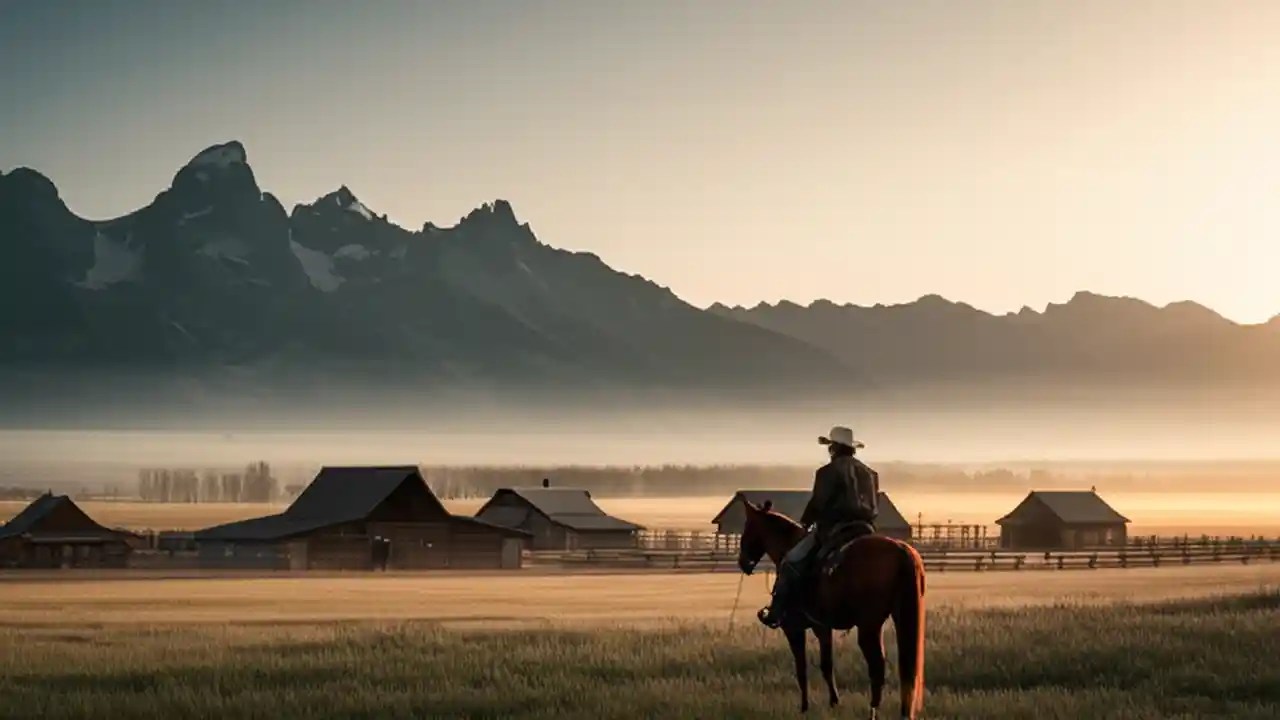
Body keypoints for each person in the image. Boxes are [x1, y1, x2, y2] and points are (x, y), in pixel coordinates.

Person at [757, 425, 879, 629]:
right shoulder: (869, 473)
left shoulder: (827, 472)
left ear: (834, 449)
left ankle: (776, 613)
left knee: (790, 562)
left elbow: (818, 502)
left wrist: (805, 523)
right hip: (866, 528)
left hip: (835, 529)